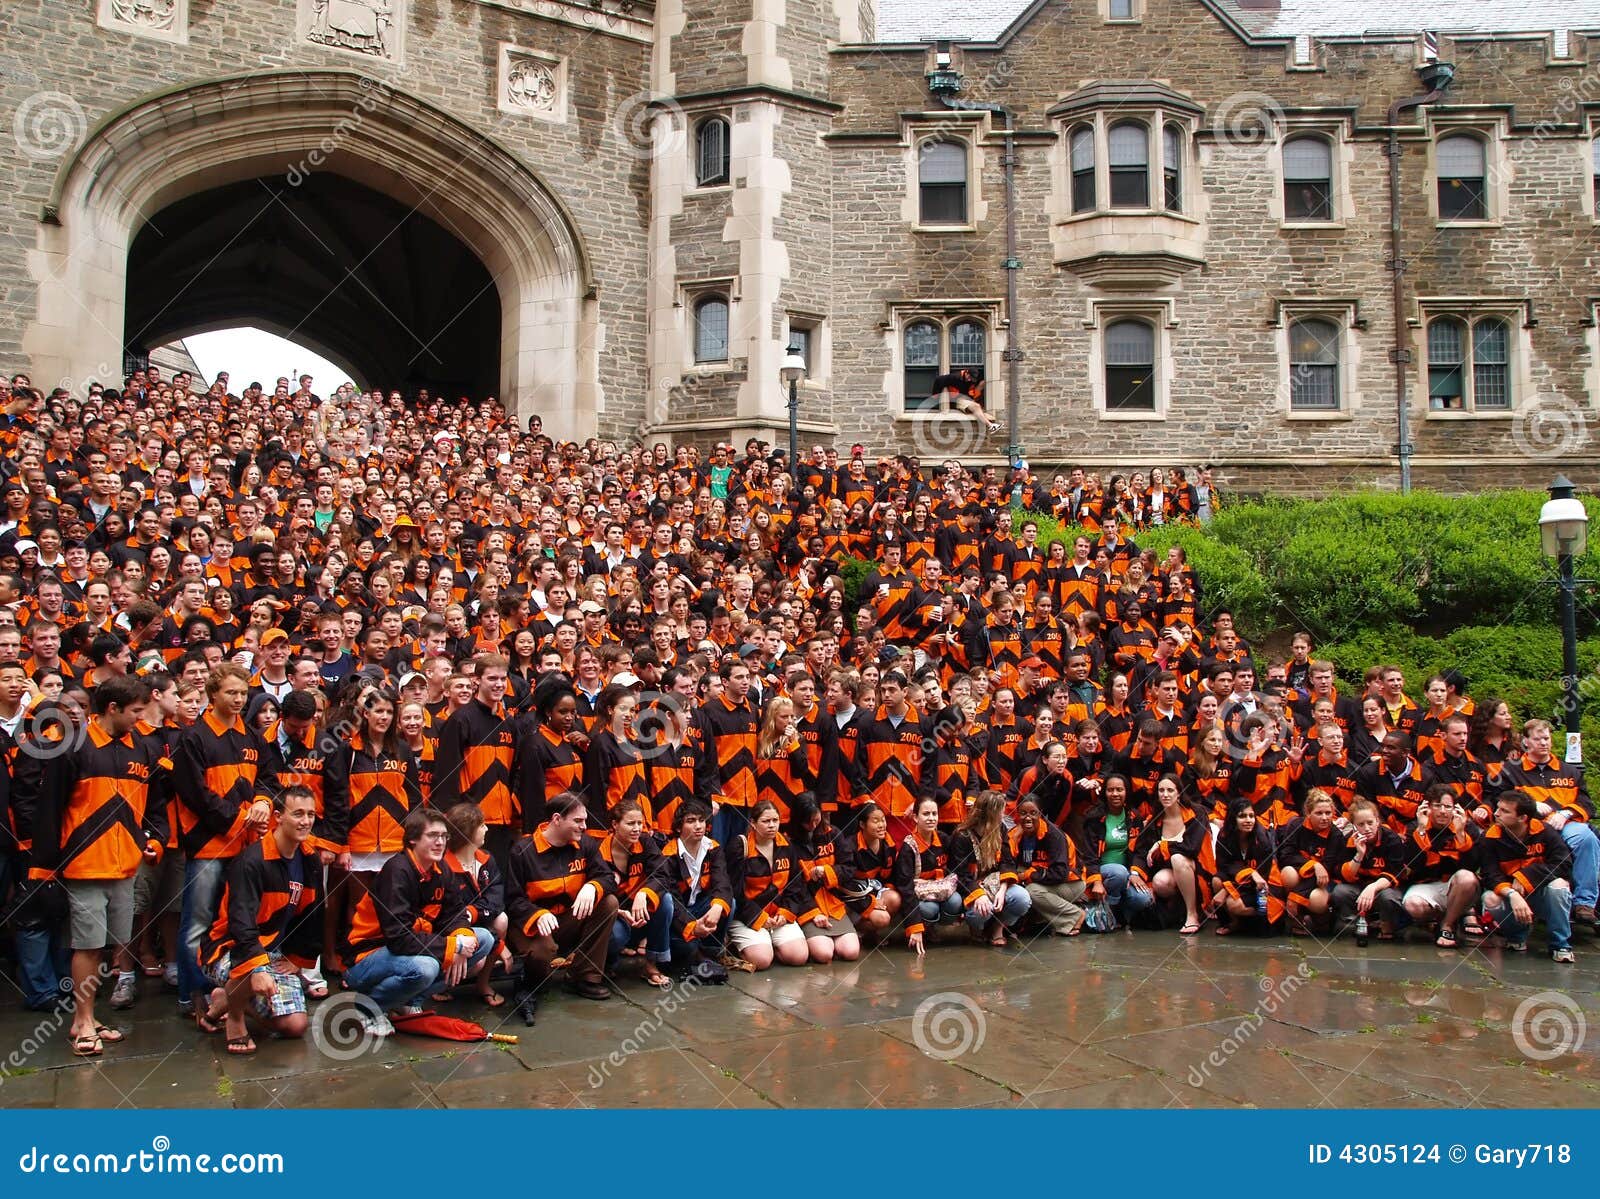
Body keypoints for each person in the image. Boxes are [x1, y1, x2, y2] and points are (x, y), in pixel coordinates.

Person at [20, 674, 164, 1056]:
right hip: (84, 863)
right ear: (113, 708)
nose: (141, 717)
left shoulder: (142, 749)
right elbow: (49, 808)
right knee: (86, 945)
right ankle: (81, 1020)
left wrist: (154, 841)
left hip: (126, 864)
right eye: (135, 711)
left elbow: (154, 806)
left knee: (109, 946)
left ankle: (92, 1016)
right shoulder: (75, 746)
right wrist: (43, 868)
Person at [344, 806, 495, 1036]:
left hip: (408, 950)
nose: (440, 842)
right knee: (427, 967)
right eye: (433, 836)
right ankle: (369, 1007)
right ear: (413, 840)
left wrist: (461, 936)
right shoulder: (397, 871)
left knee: (482, 939)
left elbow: (454, 915)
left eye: (444, 836)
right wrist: (452, 947)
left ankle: (410, 1001)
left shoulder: (441, 869)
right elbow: (399, 938)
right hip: (368, 957)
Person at [172, 663, 270, 1016]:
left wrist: (262, 801)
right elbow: (194, 793)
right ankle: (191, 994)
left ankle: (226, 993)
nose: (238, 699)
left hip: (246, 846)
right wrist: (238, 817)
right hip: (209, 845)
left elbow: (269, 776)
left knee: (238, 917)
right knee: (198, 920)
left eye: (243, 693)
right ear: (213, 695)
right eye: (231, 692)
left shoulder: (251, 736)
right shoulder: (194, 737)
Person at [196, 784, 322, 1055]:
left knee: (295, 1026)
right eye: (298, 813)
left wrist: (297, 959)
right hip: (228, 947)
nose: (305, 821)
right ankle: (235, 1018)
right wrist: (258, 968)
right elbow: (241, 924)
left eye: (310, 814)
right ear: (278, 816)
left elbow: (313, 916)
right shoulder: (251, 862)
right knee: (249, 970)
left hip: (272, 951)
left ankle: (225, 1000)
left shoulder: (310, 859)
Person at [505, 791, 620, 1024]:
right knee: (542, 952)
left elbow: (607, 877)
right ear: (557, 819)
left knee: (609, 903)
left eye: (585, 820)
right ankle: (529, 981)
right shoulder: (522, 850)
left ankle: (584, 977)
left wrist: (593, 886)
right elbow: (512, 900)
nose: (584, 826)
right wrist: (536, 914)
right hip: (534, 926)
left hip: (568, 919)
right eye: (578, 821)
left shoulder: (585, 844)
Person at [1490, 718, 1598, 931]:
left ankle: (1584, 903)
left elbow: (1586, 803)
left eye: (1547, 738)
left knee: (1587, 837)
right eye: (1538, 739)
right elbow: (1498, 798)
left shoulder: (1570, 771)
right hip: (1531, 827)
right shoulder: (1512, 771)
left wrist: (1567, 813)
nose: (1544, 743)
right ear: (1526, 743)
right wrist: (1530, 806)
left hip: (1565, 824)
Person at [1477, 789, 1575, 963]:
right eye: (1497, 808)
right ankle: (1516, 937)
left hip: (1543, 895)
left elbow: (1564, 863)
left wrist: (1525, 876)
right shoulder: (1489, 837)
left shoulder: (1545, 831)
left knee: (1559, 886)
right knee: (1490, 899)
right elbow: (1489, 875)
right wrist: (1512, 894)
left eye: (1504, 811)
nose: (1496, 814)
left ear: (1523, 818)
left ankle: (1560, 944)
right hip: (1511, 897)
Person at [726, 798, 812, 969]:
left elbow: (796, 885)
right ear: (753, 823)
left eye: (775, 820)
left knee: (799, 956)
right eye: (766, 821)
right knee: (762, 961)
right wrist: (759, 918)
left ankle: (771, 944)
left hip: (778, 914)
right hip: (747, 916)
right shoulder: (739, 846)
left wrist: (786, 913)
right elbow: (733, 892)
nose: (772, 825)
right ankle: (738, 947)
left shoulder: (787, 845)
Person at [598, 798, 674, 987]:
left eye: (640, 823)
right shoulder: (599, 851)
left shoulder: (646, 843)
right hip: (616, 916)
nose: (637, 828)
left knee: (666, 900)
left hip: (641, 913)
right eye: (630, 823)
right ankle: (608, 962)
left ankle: (651, 964)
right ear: (615, 824)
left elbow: (663, 875)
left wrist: (644, 893)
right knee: (615, 935)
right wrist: (619, 912)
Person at [440, 802, 509, 1007]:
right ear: (467, 832)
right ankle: (442, 983)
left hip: (479, 921)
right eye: (482, 825)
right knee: (476, 962)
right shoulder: (444, 866)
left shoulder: (486, 859)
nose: (487, 829)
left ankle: (483, 984)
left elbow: (496, 898)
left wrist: (473, 913)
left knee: (502, 919)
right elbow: (448, 912)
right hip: (449, 929)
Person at [949, 790, 1032, 945]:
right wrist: (978, 894)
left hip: (995, 883)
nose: (1004, 814)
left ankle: (998, 928)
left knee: (1022, 899)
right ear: (991, 813)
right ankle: (976, 928)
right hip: (973, 887)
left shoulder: (1000, 829)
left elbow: (1007, 862)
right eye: (1001, 811)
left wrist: (1003, 888)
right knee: (980, 911)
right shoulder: (962, 836)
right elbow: (960, 874)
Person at [1129, 774, 1209, 934]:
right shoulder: (1154, 820)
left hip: (1198, 869)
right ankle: (1177, 909)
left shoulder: (1197, 813)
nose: (1165, 794)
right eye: (1161, 790)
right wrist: (1135, 873)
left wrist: (1161, 844)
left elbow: (1191, 848)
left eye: (1170, 790)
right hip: (1172, 873)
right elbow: (1141, 850)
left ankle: (1192, 914)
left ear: (1179, 793)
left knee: (1178, 858)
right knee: (1159, 881)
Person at [1403, 785, 1480, 949]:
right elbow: (1412, 866)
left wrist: (1460, 834)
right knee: (1412, 906)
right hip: (1426, 885)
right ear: (1427, 808)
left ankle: (1447, 926)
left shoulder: (1468, 828)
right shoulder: (1414, 828)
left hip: (1459, 887)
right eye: (1437, 806)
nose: (1443, 811)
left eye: (1447, 806)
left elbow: (1472, 867)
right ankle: (1445, 918)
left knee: (1466, 877)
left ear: (1456, 809)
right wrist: (1422, 831)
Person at [1329, 798, 1408, 940]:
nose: (1367, 828)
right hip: (1358, 888)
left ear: (1377, 821)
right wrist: (1359, 855)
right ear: (1353, 826)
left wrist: (1372, 888)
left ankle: (1387, 924)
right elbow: (1344, 876)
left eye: (1370, 823)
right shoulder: (1347, 840)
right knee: (1340, 892)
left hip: (1384, 888)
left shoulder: (1391, 839)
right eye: (1361, 824)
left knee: (1388, 897)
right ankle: (1357, 923)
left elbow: (1395, 873)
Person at [1080, 774, 1153, 924]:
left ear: (1126, 792)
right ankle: (1110, 914)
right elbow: (1089, 855)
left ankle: (1122, 915)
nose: (1115, 794)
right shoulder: (1094, 818)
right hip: (1104, 872)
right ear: (1104, 793)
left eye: (1119, 790)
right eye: (1110, 790)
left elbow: (1140, 850)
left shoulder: (1134, 817)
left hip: (1126, 873)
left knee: (1144, 898)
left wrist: (1134, 873)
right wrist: (1097, 881)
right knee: (1118, 872)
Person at [893, 795, 961, 954]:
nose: (931, 818)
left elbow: (955, 869)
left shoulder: (944, 839)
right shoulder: (908, 847)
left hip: (940, 893)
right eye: (926, 814)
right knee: (929, 909)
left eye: (934, 814)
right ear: (915, 817)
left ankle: (934, 926)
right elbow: (906, 889)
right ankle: (924, 928)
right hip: (919, 898)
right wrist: (914, 927)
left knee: (956, 901)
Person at [1012, 794, 1087, 936]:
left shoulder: (1054, 836)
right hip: (1044, 877)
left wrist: (1028, 875)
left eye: (1033, 813)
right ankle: (1037, 920)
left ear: (1040, 814)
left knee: (1032, 891)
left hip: (1070, 881)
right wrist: (1014, 838)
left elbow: (1059, 874)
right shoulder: (1017, 834)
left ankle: (1074, 916)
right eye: (1023, 813)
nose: (1028, 818)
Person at [1210, 797, 1277, 934]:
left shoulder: (1262, 839)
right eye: (1242, 816)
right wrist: (1250, 872)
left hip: (1263, 888)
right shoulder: (1224, 836)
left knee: (1232, 903)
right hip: (1242, 882)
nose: (1248, 820)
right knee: (1217, 881)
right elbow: (1223, 868)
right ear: (1233, 818)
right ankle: (1233, 923)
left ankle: (1252, 923)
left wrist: (1227, 890)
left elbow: (1261, 879)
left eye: (1251, 816)